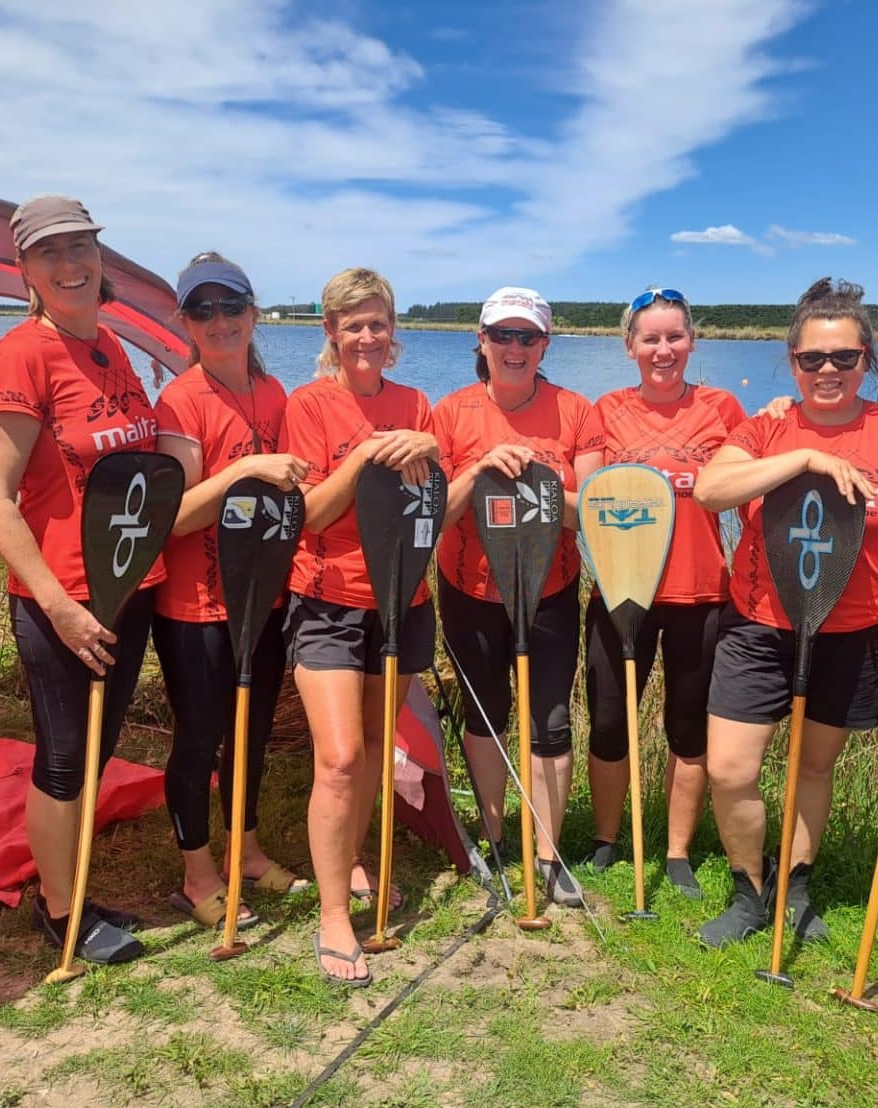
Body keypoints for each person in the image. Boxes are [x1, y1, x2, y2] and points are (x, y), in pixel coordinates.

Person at [692, 277, 878, 948]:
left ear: (867, 361)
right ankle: (748, 891)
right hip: (761, 623)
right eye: (812, 360)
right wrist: (802, 456)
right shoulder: (768, 425)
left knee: (812, 769)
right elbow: (712, 488)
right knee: (731, 770)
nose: (827, 371)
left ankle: (795, 885)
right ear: (792, 362)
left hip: (855, 630)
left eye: (843, 359)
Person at [0, 195, 158, 964]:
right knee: (62, 758)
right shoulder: (19, 355)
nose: (71, 264)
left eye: (81, 246)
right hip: (65, 600)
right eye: (50, 253)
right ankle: (59, 912)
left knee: (97, 752)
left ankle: (75, 885)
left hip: (124, 588)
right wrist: (57, 604)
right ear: (24, 269)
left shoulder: (109, 346)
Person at [281, 268, 441, 985]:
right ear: (331, 334)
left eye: (378, 323)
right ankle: (332, 917)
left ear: (392, 328)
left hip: (402, 597)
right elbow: (309, 514)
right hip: (327, 599)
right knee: (340, 757)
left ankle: (353, 859)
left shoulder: (415, 402)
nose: (368, 337)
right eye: (353, 326)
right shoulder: (308, 404)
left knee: (377, 746)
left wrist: (425, 452)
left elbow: (429, 497)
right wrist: (366, 455)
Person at [152, 253, 311, 933]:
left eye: (231, 307)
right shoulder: (180, 400)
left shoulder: (275, 394)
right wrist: (246, 468)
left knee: (249, 735)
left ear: (253, 314)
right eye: (203, 310)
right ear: (186, 323)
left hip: (264, 601)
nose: (219, 321)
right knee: (199, 740)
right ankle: (197, 874)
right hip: (195, 608)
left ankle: (245, 851)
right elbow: (174, 518)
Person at [432, 287, 604, 907]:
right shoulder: (450, 413)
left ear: (544, 345)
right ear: (480, 342)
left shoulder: (576, 411)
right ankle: (495, 834)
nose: (513, 347)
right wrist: (478, 471)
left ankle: (549, 854)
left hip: (548, 590)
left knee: (550, 723)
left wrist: (542, 489)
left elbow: (593, 512)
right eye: (501, 335)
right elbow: (437, 516)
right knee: (485, 717)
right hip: (470, 589)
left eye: (526, 336)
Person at [584, 288, 745, 899]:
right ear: (630, 347)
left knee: (689, 729)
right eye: (650, 338)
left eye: (674, 336)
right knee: (607, 723)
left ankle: (676, 851)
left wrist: (783, 409)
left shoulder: (722, 407)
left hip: (701, 598)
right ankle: (606, 839)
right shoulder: (607, 411)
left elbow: (751, 474)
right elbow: (588, 503)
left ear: (692, 342)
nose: (663, 349)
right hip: (621, 592)